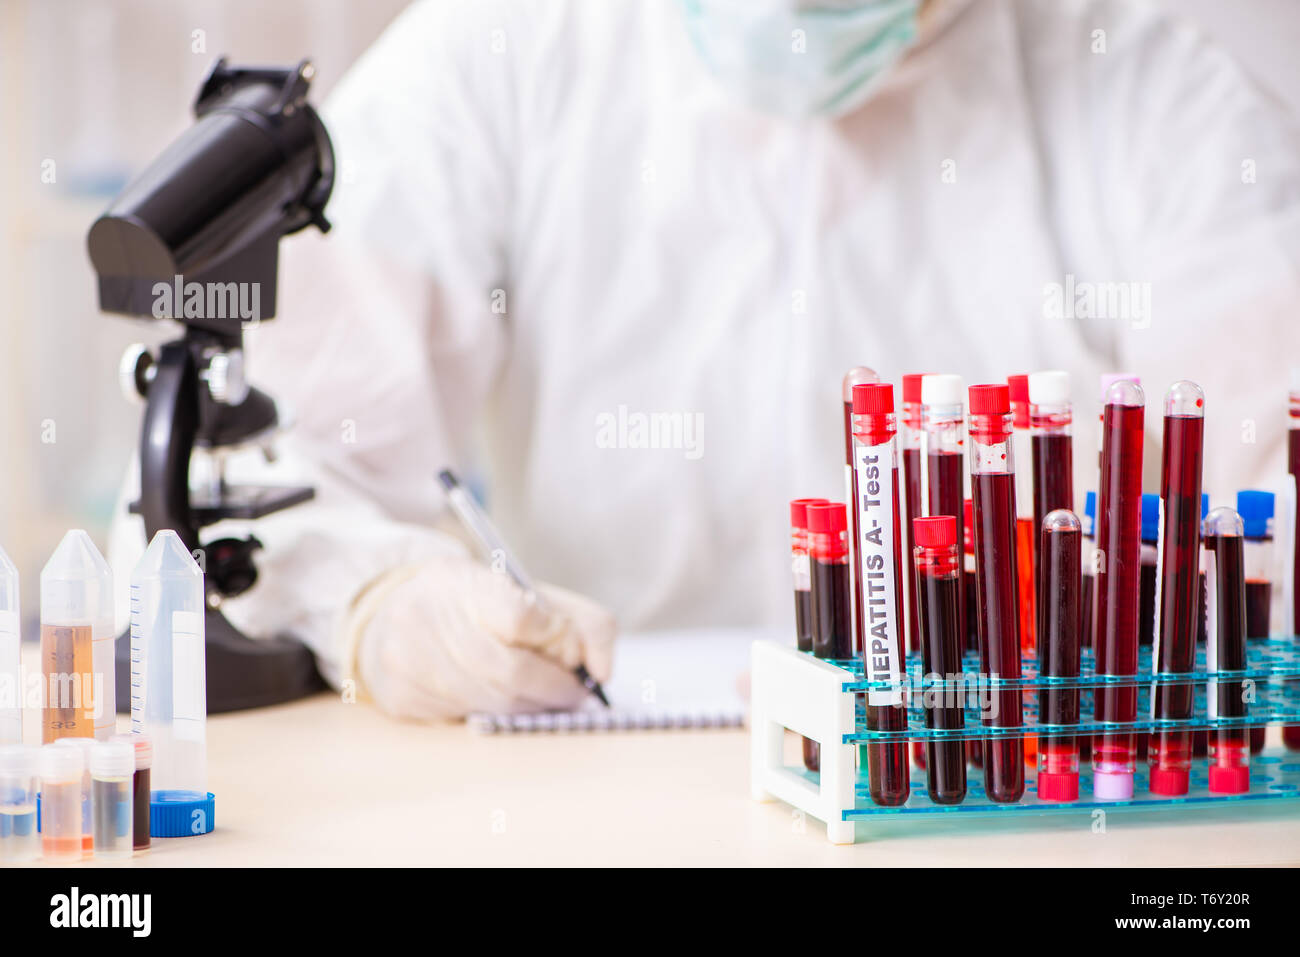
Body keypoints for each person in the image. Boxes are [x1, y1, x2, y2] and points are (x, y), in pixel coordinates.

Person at [110, 0, 1300, 720]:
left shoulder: (1160, 95)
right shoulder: (504, 51)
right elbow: (270, 448)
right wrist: (378, 603)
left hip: (998, 795)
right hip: (593, 776)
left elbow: (1268, 511)